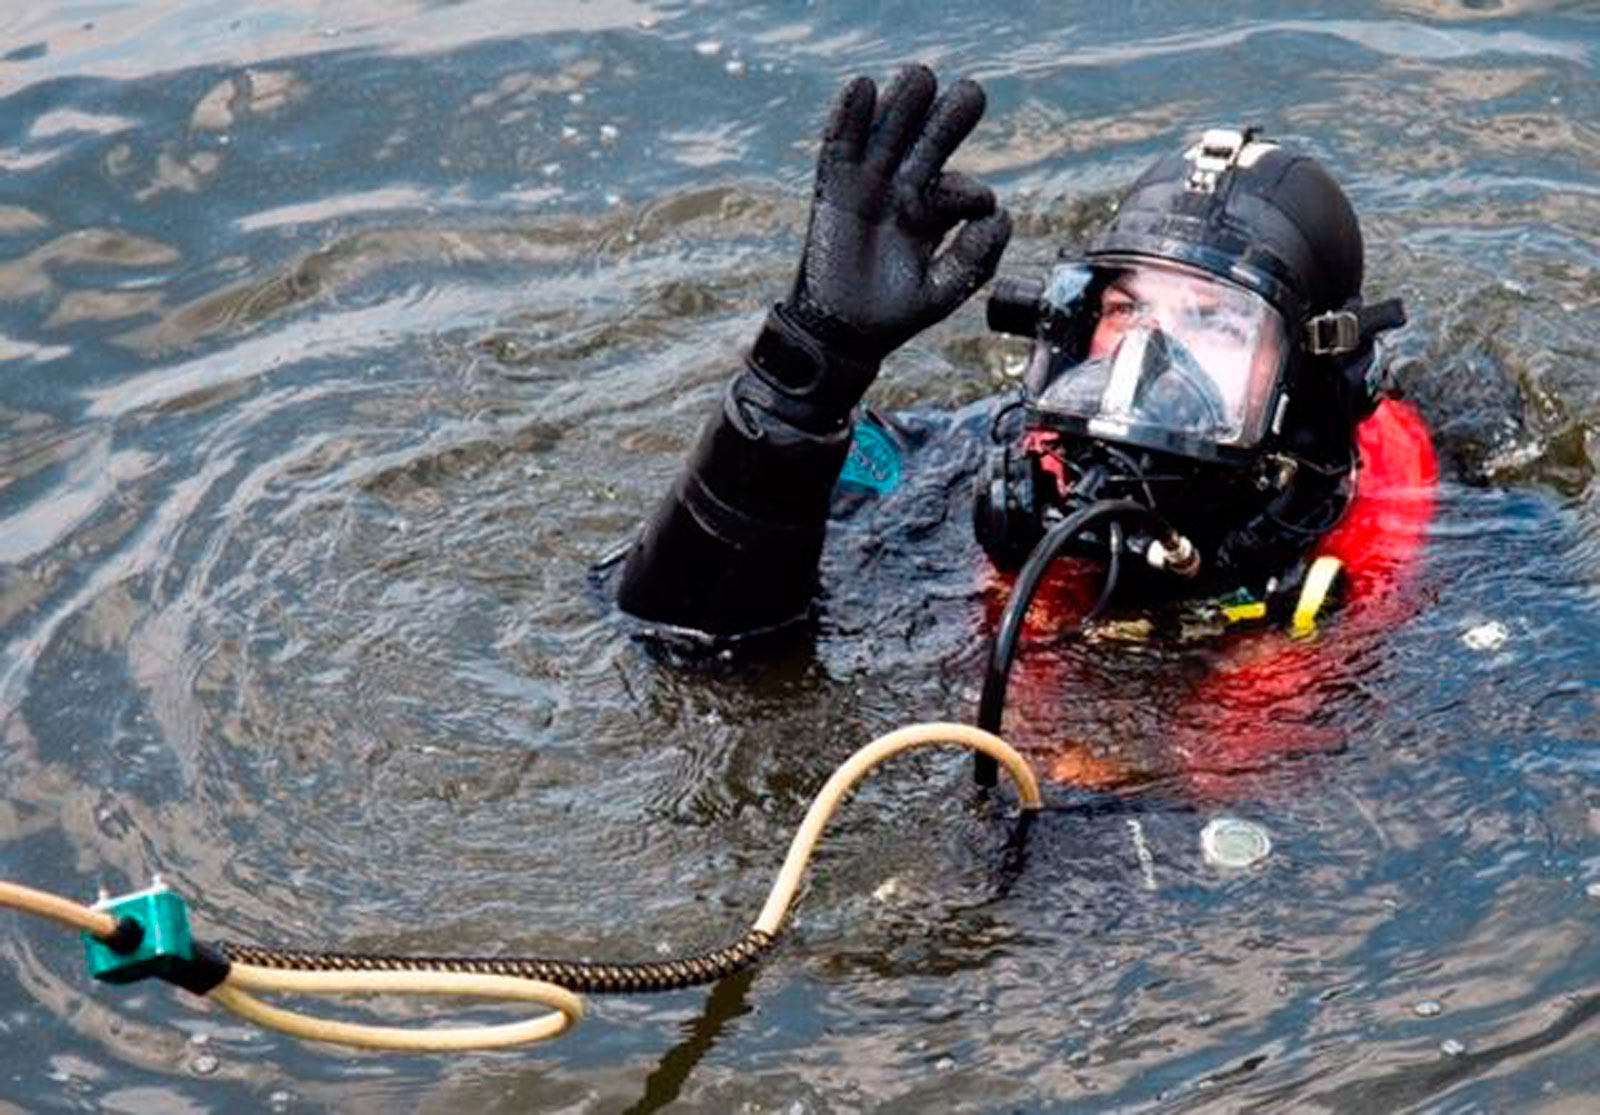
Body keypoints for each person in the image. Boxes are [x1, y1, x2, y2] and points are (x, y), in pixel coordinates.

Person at [613, 65, 1436, 791]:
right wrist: (807, 370)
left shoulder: (1409, 537)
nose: (1148, 361)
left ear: (1311, 377)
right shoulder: (952, 465)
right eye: (1127, 310)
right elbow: (677, 637)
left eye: (1215, 326)